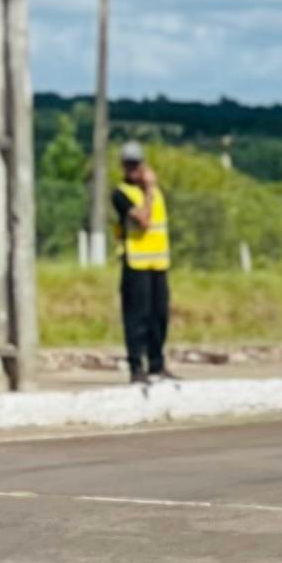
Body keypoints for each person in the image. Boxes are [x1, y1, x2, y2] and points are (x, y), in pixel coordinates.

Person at [112, 142, 172, 384]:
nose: (134, 169)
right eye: (129, 165)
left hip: (158, 264)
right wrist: (148, 190)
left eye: (137, 164)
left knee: (160, 316)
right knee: (138, 318)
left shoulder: (156, 192)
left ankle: (157, 365)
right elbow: (143, 221)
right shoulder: (121, 194)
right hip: (135, 264)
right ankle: (137, 367)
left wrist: (151, 190)